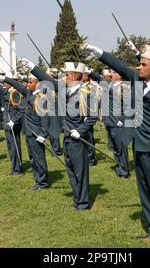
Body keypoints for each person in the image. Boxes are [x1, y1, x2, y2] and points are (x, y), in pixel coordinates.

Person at [82, 42, 150, 245]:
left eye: (143, 64)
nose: (139, 67)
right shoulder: (138, 82)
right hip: (139, 146)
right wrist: (100, 52)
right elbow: (120, 67)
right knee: (144, 191)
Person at [22, 59, 99, 210]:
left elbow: (92, 117)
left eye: (67, 74)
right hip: (68, 138)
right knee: (70, 170)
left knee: (80, 171)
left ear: (76, 75)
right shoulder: (66, 90)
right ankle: (77, 199)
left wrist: (80, 130)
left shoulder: (86, 93)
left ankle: (83, 202)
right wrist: (32, 67)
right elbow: (48, 80)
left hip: (79, 138)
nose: (65, 76)